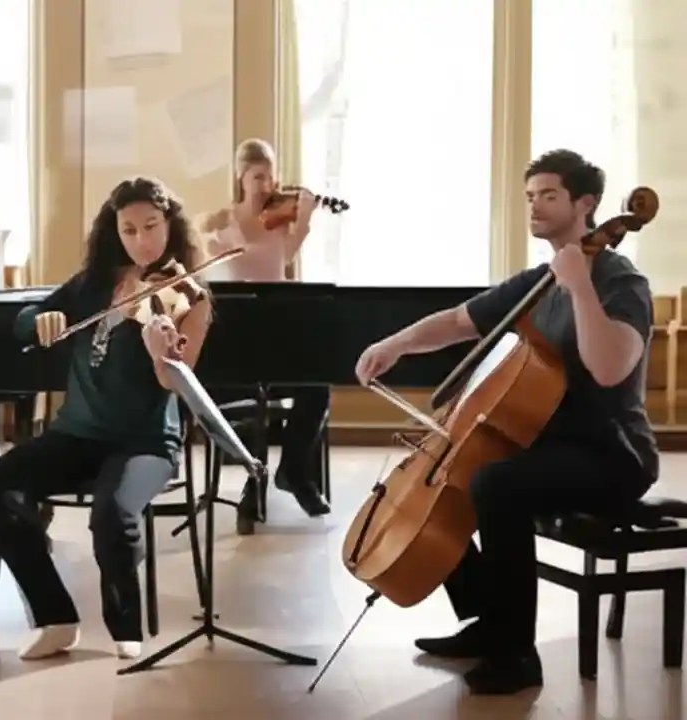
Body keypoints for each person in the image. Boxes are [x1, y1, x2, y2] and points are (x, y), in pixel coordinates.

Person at [354, 149, 658, 695]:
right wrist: (394, 344)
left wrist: (581, 287)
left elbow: (610, 368)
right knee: (456, 472)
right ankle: (489, 619)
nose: (535, 206)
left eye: (548, 195)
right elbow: (457, 321)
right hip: (550, 442)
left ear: (585, 205)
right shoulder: (539, 282)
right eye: (529, 196)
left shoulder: (620, 281)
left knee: (496, 483)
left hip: (612, 454)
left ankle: (515, 654)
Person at [0, 176, 213, 661]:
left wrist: (161, 349)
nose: (142, 240)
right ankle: (55, 616)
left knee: (112, 512)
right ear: (114, 232)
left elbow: (171, 384)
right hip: (76, 435)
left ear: (170, 226)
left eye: (151, 227)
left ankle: (126, 624)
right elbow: (27, 317)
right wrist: (38, 322)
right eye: (129, 230)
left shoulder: (192, 299)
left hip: (144, 443)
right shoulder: (93, 286)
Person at [197, 138, 330, 523]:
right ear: (241, 176)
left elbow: (284, 258)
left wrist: (303, 220)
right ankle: (254, 482)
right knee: (248, 395)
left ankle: (293, 470)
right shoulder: (221, 222)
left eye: (271, 177)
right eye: (258, 176)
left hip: (277, 333)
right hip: (235, 340)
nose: (266, 185)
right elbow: (209, 262)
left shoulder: (280, 222)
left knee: (316, 387)